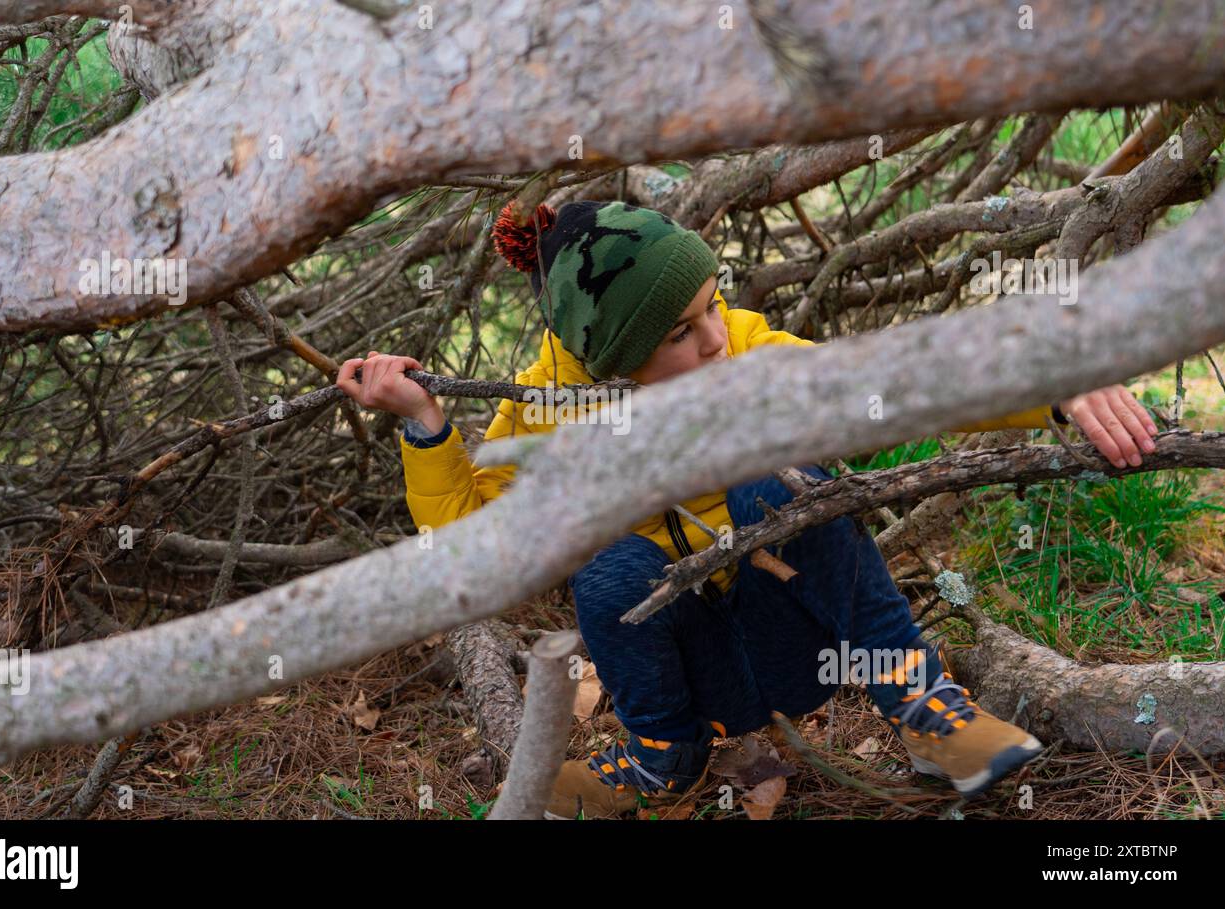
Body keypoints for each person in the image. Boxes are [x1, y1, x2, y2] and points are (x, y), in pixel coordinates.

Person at [336, 199, 1160, 819]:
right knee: (607, 561)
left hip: (799, 640)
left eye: (712, 306)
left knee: (780, 478)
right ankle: (663, 759)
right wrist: (425, 425)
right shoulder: (546, 411)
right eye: (681, 333)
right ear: (614, 360)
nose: (715, 341)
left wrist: (1052, 382)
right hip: (693, 672)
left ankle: (921, 708)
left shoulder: (746, 352)